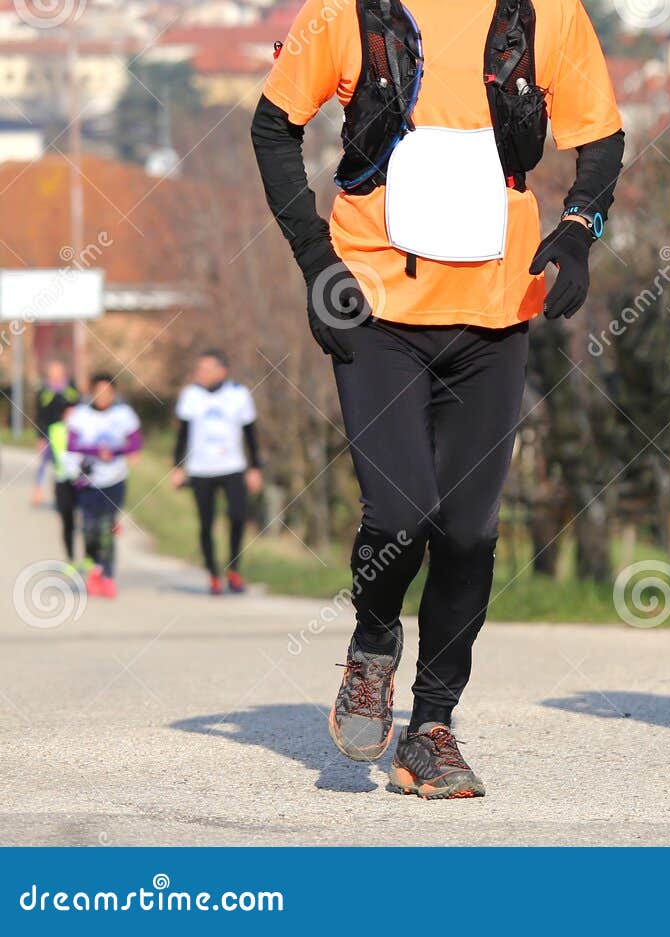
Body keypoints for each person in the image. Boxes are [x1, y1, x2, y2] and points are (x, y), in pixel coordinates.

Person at [254, 0, 623, 798]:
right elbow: (272, 125)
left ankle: (431, 727)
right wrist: (318, 263)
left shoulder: (546, 13)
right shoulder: (351, 11)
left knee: (469, 528)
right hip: (376, 305)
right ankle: (373, 645)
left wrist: (579, 227)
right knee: (399, 512)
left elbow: (601, 137)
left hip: (495, 310)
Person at [171, 350, 263, 596]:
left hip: (232, 467)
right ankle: (213, 574)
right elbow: (182, 435)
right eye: (199, 368)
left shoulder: (239, 395)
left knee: (237, 516)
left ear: (222, 371)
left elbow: (251, 434)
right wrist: (177, 467)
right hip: (200, 469)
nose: (200, 373)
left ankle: (233, 569)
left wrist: (255, 468)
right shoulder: (191, 396)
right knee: (205, 523)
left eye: (206, 368)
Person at [66, 373, 143, 599]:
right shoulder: (80, 415)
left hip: (115, 478)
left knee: (106, 527)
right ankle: (94, 569)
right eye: (98, 392)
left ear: (114, 393)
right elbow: (71, 444)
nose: (103, 396)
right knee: (89, 529)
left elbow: (136, 442)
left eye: (107, 392)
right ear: (91, 392)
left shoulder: (124, 414)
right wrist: (95, 452)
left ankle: (107, 575)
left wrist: (117, 452)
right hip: (87, 479)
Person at [32, 360, 81, 562]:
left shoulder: (71, 389)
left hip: (68, 432)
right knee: (44, 463)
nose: (56, 375)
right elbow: (39, 414)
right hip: (50, 433)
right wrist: (40, 436)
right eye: (52, 372)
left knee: (72, 465)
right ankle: (38, 489)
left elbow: (78, 404)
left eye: (58, 371)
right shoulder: (44, 391)